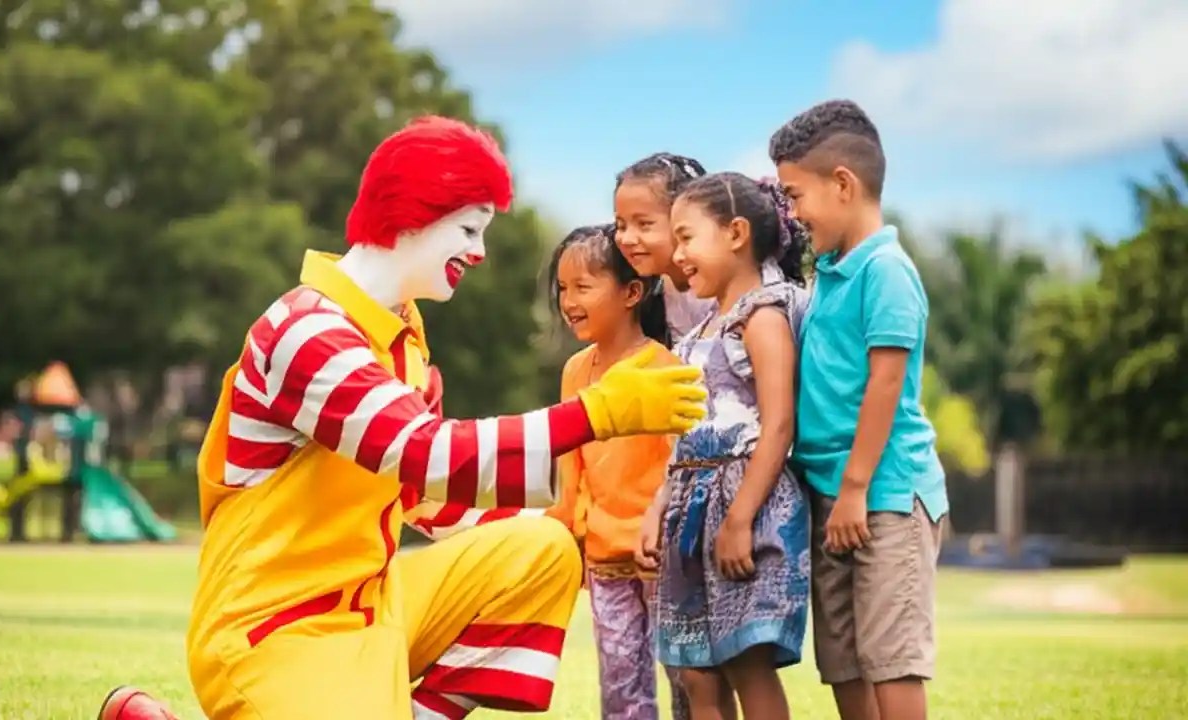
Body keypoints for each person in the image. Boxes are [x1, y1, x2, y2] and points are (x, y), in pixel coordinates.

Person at [96, 116, 707, 720]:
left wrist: (580, 531)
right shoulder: (305, 330)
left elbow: (422, 492)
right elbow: (419, 451)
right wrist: (597, 413)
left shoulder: (404, 339)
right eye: (468, 228)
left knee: (542, 547)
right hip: (271, 632)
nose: (479, 252)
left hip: (370, 609)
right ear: (414, 213)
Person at [770, 99, 948, 720]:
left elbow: (886, 384)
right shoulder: (831, 274)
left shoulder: (887, 272)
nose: (792, 214)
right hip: (832, 494)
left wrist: (855, 489)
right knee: (843, 659)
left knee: (890, 658)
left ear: (842, 183)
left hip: (885, 495)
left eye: (795, 196)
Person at [636, 172, 811, 720]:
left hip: (746, 504)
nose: (678, 253)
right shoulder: (702, 327)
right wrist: (658, 504)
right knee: (696, 674)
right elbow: (688, 433)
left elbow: (778, 425)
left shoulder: (762, 317)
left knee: (746, 663)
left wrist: (740, 519)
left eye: (687, 238)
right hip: (692, 504)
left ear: (736, 233)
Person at [542, 223, 679, 720]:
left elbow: (679, 463)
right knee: (621, 688)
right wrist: (566, 535)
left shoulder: (664, 367)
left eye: (583, 286)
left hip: (662, 554)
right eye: (562, 288)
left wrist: (662, 529)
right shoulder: (576, 371)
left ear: (631, 292)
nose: (568, 300)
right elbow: (568, 463)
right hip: (603, 559)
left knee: (688, 679)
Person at [613, 153, 717, 345]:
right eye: (621, 226)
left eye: (644, 224)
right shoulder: (652, 293)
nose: (626, 239)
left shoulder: (720, 288)